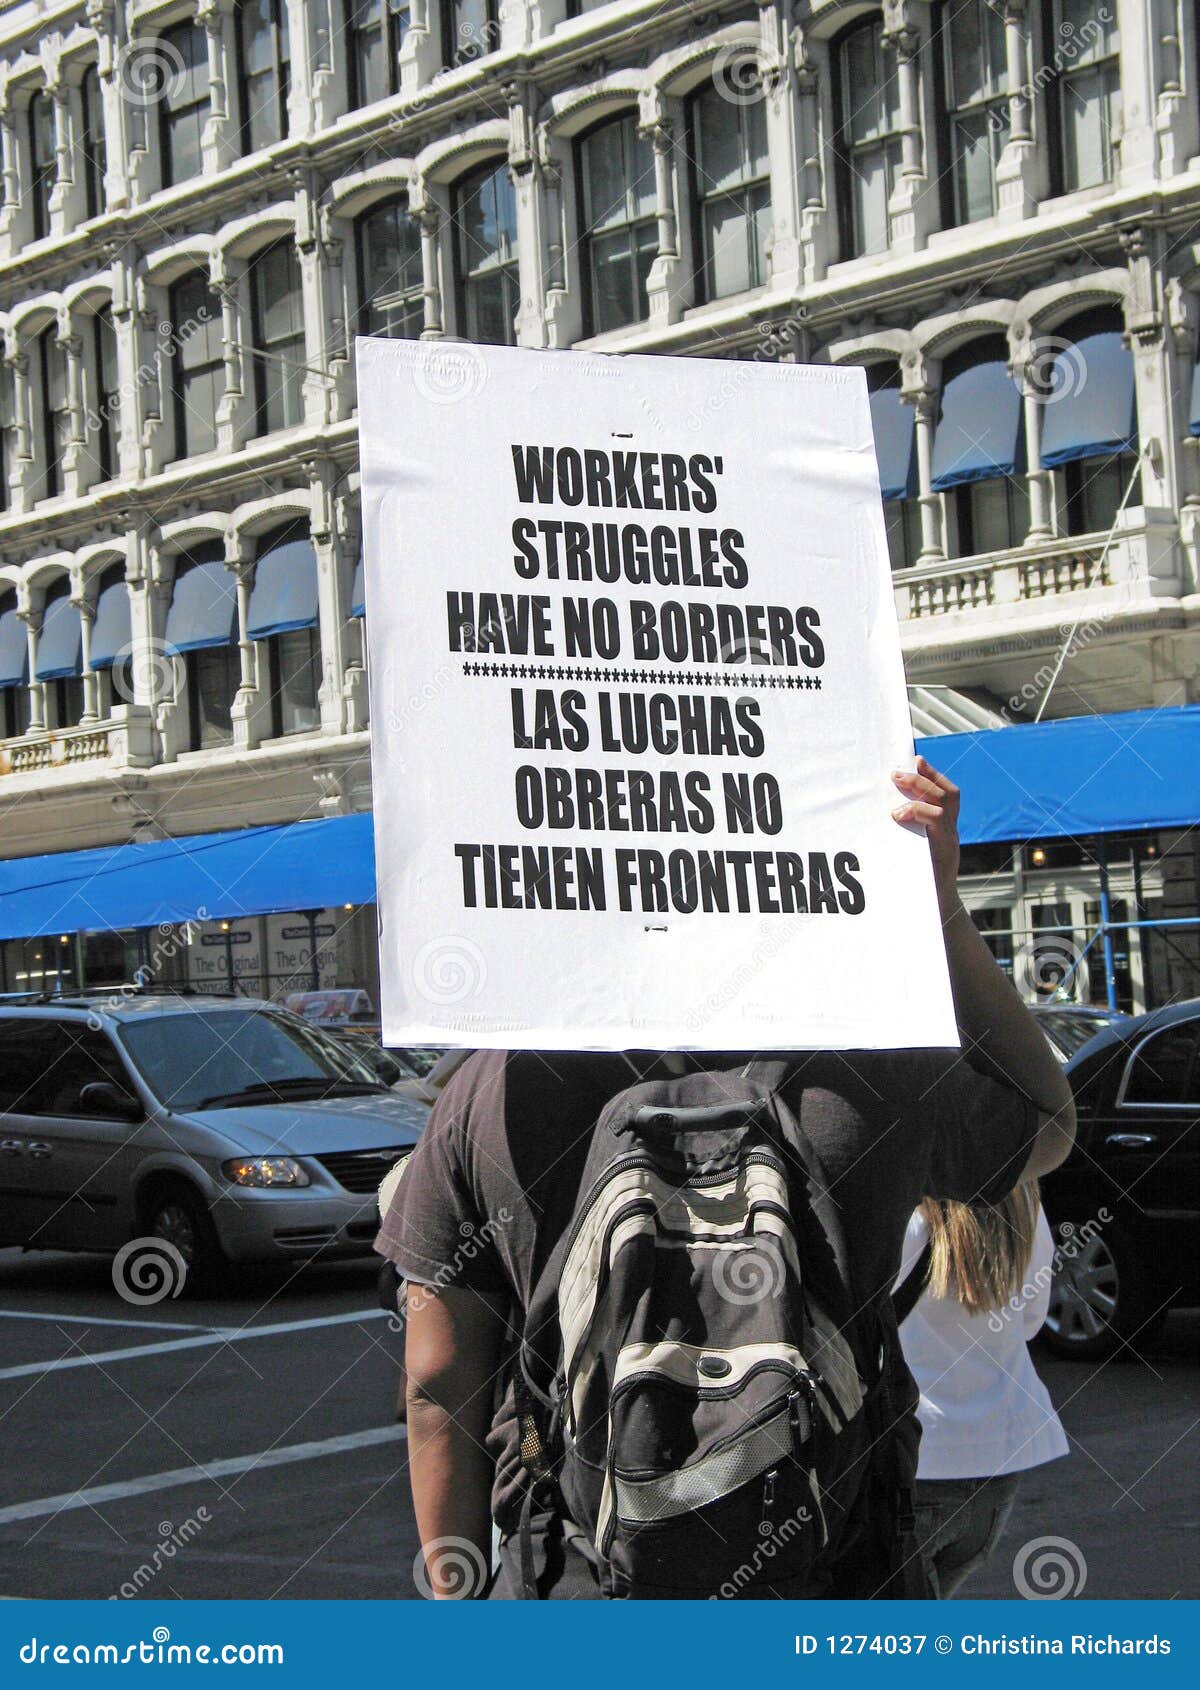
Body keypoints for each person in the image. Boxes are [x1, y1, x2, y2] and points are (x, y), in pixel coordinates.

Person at [376, 759, 1077, 1598]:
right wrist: (942, 907)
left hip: (576, 1585)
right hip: (833, 1575)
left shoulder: (495, 1086)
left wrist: (459, 1602)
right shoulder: (863, 1063)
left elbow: (435, 1385)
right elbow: (1048, 1124)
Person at [895, 1186, 1069, 1597]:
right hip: (997, 1463)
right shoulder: (1024, 1201)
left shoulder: (900, 1207)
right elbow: (1030, 1320)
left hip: (914, 1459)